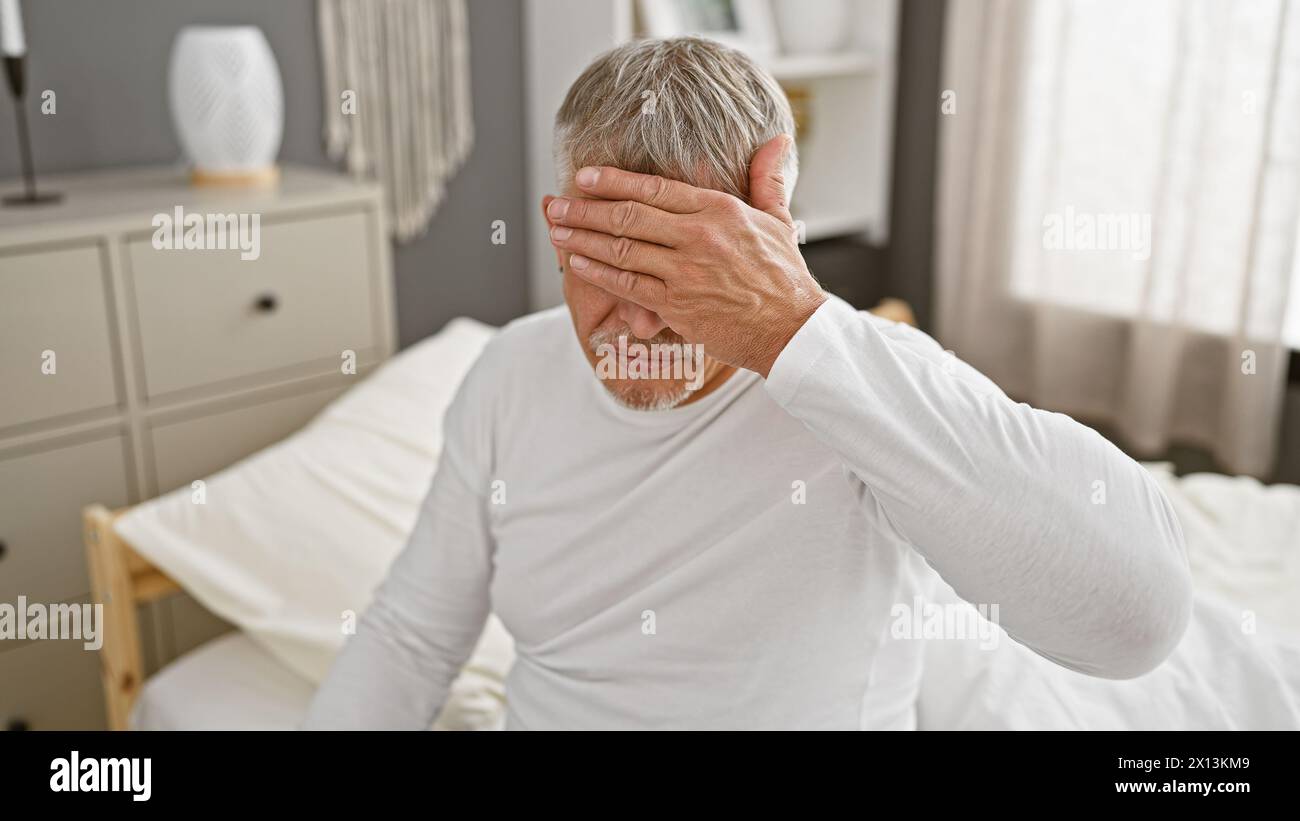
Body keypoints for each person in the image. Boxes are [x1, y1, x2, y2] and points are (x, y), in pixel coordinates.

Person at [304, 37, 1191, 730]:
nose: (640, 325)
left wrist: (789, 325)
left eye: (682, 274)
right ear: (558, 229)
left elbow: (1137, 622)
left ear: (773, 239)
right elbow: (410, 639)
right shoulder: (509, 378)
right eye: (612, 266)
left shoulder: (858, 387)